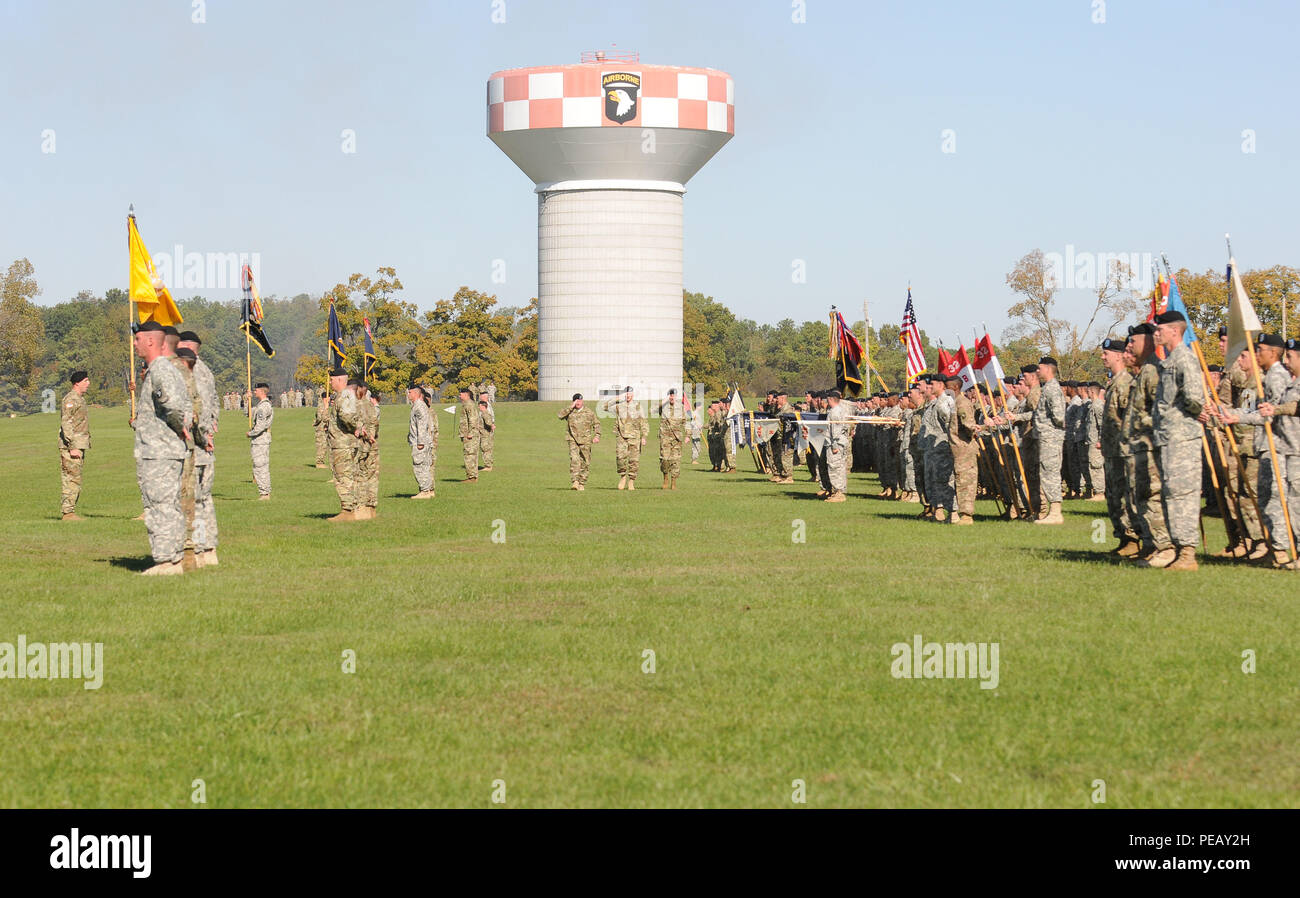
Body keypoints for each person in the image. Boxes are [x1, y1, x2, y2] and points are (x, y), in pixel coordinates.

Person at [1221, 334, 1299, 570]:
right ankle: (1276, 549)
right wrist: (1237, 416)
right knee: (1268, 500)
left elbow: (1272, 413)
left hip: (1285, 447)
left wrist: (1244, 416)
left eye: (1259, 350)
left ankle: (1281, 550)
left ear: (1272, 353)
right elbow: (1262, 412)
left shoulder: (1276, 377)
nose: (1256, 354)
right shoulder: (1278, 377)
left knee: (1284, 500)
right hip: (1274, 446)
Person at [131, 321, 192, 575]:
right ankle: (172, 558)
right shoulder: (159, 369)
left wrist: (180, 427)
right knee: (165, 505)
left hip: (160, 452)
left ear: (150, 341)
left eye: (137, 340)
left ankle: (167, 562)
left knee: (160, 506)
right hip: (159, 451)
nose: (134, 344)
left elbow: (174, 406)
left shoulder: (160, 370)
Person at [1150, 310, 1205, 570]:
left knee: (1183, 494)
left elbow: (1195, 398)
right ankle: (1178, 549)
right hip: (1169, 438)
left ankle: (1187, 554)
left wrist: (1186, 414)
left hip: (1182, 439)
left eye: (1159, 329)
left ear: (1174, 330)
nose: (1156, 333)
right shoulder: (1170, 361)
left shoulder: (1185, 359)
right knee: (1171, 494)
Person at [178, 331, 219, 566]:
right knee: (204, 499)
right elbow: (214, 406)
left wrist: (204, 436)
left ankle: (201, 549)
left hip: (197, 445)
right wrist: (212, 431)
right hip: (204, 442)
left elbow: (199, 410)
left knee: (196, 500)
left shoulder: (196, 372)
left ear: (187, 346)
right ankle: (208, 549)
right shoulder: (207, 371)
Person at [1100, 337, 1138, 555]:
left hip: (1122, 450)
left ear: (1118, 355)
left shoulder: (1125, 383)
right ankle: (1123, 539)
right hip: (1111, 450)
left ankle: (1132, 539)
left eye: (1106, 354)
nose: (1103, 357)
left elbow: (1127, 419)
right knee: (1113, 496)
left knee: (1124, 496)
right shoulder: (1114, 382)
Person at [326, 370, 365, 521]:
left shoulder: (343, 396)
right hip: (348, 444)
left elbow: (347, 417)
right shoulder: (348, 396)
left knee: (343, 478)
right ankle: (356, 509)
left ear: (340, 380)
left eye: (332, 380)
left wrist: (355, 428)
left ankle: (347, 511)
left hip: (343, 445)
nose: (330, 382)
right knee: (351, 476)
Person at [58, 370, 92, 520]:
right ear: (77, 383)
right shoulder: (70, 399)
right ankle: (68, 512)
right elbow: (66, 423)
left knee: (75, 478)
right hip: (71, 446)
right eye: (85, 381)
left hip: (79, 444)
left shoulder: (80, 399)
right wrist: (72, 446)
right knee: (71, 478)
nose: (88, 383)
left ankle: (70, 511)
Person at [947, 375, 980, 524]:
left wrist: (981, 428)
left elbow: (969, 426)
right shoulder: (953, 402)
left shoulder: (962, 403)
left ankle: (967, 515)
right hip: (956, 449)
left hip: (964, 449)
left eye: (947, 386)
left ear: (955, 387)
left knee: (965, 481)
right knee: (959, 481)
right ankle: (959, 513)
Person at [605, 385, 649, 490]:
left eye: (630, 393)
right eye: (626, 393)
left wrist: (644, 436)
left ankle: (631, 481)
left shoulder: (638, 406)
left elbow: (644, 422)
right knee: (620, 458)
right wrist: (617, 398)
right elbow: (605, 407)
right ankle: (623, 477)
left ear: (633, 394)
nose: (628, 395)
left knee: (634, 460)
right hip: (622, 437)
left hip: (635, 437)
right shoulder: (619, 406)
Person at [559, 393, 600, 490]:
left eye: (580, 400)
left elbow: (597, 424)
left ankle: (582, 483)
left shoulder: (589, 412)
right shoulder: (570, 411)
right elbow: (560, 415)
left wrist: (597, 436)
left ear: (583, 401)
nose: (578, 402)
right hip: (572, 439)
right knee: (574, 460)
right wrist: (570, 407)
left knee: (585, 462)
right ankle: (575, 481)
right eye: (576, 401)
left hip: (586, 440)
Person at [354, 383, 380, 518]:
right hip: (372, 445)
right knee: (372, 476)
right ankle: (371, 507)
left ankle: (362, 506)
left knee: (360, 476)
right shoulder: (371, 406)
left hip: (361, 445)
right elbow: (375, 424)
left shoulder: (357, 406)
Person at [407, 383, 436, 499]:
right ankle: (428, 490)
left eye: (410, 392)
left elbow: (422, 425)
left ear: (416, 393)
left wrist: (420, 442)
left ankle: (424, 491)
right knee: (425, 466)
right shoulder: (419, 405)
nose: (408, 394)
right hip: (424, 441)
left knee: (419, 466)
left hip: (421, 442)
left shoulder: (419, 406)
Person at [247, 382, 274, 500]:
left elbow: (260, 425)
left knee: (260, 466)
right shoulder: (260, 405)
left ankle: (264, 493)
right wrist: (247, 400)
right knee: (259, 466)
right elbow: (247, 413)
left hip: (260, 440)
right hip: (258, 440)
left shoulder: (264, 407)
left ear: (262, 391)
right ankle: (265, 492)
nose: (254, 392)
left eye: (256, 390)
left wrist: (250, 433)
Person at [658, 388, 687, 490]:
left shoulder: (681, 407)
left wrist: (688, 435)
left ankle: (673, 482)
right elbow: (653, 408)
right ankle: (665, 477)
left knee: (676, 460)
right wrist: (665, 400)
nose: (672, 397)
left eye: (673, 395)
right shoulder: (663, 407)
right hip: (665, 437)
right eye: (670, 395)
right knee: (664, 459)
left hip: (676, 438)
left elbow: (685, 422)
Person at [456, 387, 481, 482]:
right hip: (467, 434)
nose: (459, 396)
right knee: (470, 455)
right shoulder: (466, 404)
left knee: (469, 455)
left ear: (466, 394)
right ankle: (472, 476)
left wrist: (470, 433)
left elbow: (473, 419)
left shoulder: (469, 405)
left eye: (460, 394)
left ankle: (472, 477)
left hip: (470, 435)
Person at [477, 396, 495, 472]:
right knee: (488, 450)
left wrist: (491, 426)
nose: (478, 407)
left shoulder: (484, 413)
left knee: (485, 449)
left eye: (479, 405)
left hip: (485, 435)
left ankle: (488, 466)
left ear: (483, 406)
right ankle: (489, 464)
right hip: (486, 434)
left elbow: (488, 422)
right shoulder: (485, 413)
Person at [314, 392, 330, 468]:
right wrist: (316, 423)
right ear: (325, 398)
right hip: (321, 429)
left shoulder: (325, 406)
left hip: (324, 429)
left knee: (324, 446)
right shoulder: (321, 406)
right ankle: (319, 462)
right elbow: (321, 418)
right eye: (328, 397)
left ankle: (321, 461)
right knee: (321, 445)